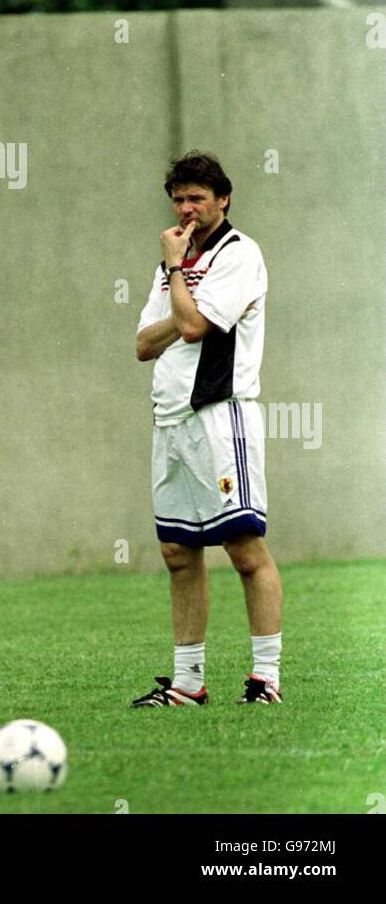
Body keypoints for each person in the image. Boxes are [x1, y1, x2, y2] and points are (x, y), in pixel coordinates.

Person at [130, 151, 283, 707]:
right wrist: (176, 279)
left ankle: (265, 679)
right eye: (178, 199)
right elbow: (143, 344)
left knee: (243, 547)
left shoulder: (239, 255)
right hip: (170, 420)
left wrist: (176, 274)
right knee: (177, 551)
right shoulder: (174, 260)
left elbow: (192, 326)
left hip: (221, 416)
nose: (187, 208)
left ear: (223, 199)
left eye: (197, 198)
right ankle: (188, 684)